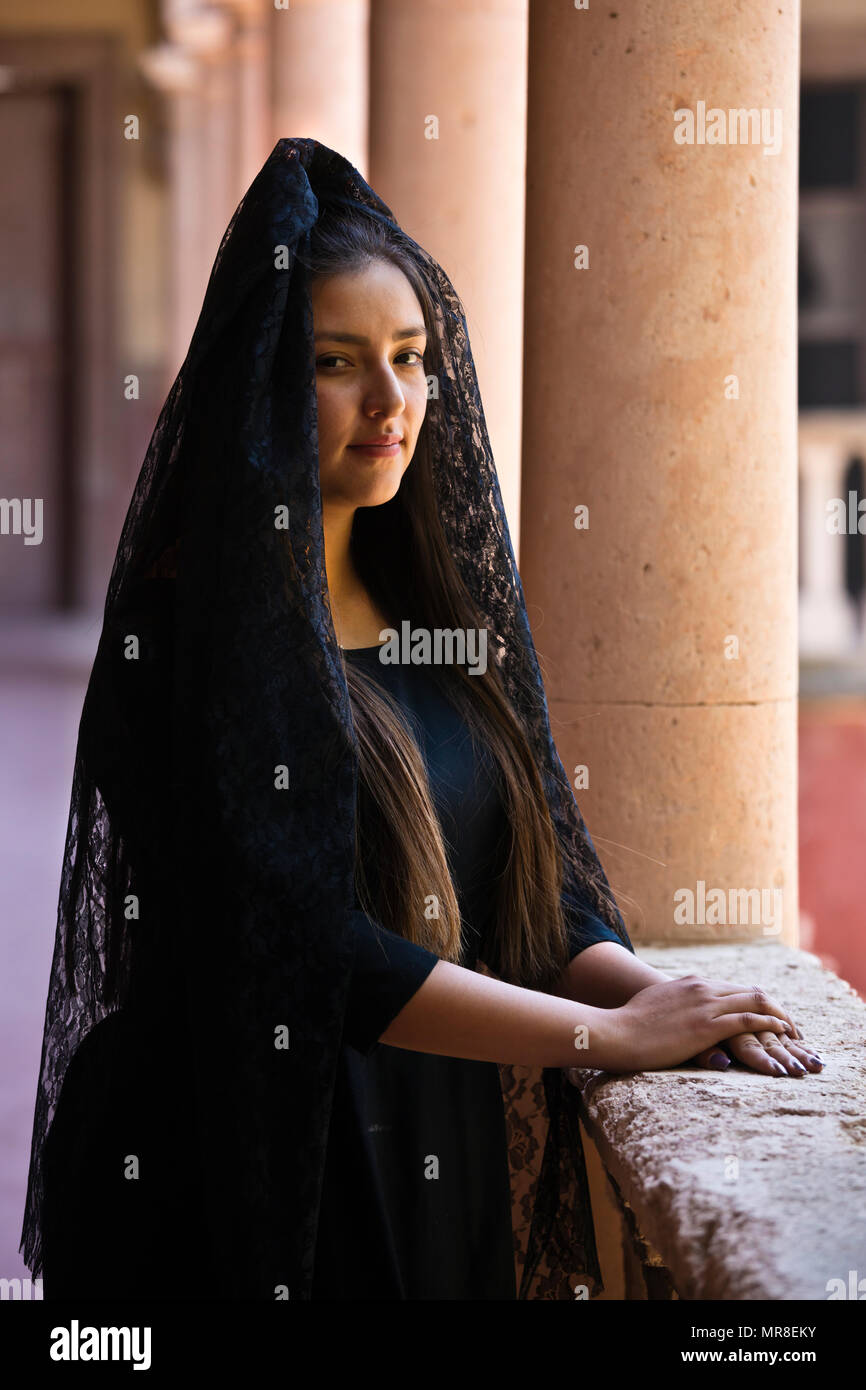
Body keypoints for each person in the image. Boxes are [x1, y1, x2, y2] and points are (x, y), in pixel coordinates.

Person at [21, 138, 823, 1303]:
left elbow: (536, 889)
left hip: (432, 1129)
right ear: (263, 387)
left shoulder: (438, 609)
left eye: (409, 359)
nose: (390, 402)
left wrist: (639, 995)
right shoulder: (184, 633)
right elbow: (303, 947)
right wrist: (606, 1038)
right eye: (336, 364)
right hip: (231, 1161)